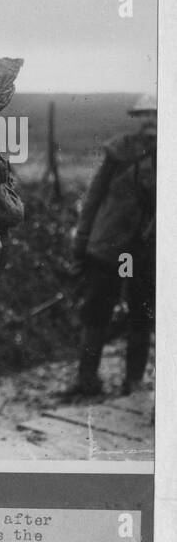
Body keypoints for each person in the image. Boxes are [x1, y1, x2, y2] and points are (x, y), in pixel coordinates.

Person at [61, 94, 157, 398]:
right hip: (109, 248)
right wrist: (82, 239)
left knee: (141, 315)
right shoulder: (119, 151)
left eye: (155, 113)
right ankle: (87, 380)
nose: (149, 120)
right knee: (97, 312)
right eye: (143, 115)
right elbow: (92, 199)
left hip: (143, 251)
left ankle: (133, 383)